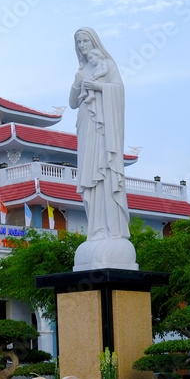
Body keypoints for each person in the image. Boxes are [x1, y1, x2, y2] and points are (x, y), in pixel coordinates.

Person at [68, 28, 131, 244]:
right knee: (89, 174)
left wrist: (98, 86)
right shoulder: (82, 69)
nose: (82, 46)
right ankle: (95, 229)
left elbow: (118, 90)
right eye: (78, 42)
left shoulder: (107, 64)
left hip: (104, 125)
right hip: (86, 122)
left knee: (104, 171)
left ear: (94, 40)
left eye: (85, 40)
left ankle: (111, 229)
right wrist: (77, 83)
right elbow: (71, 103)